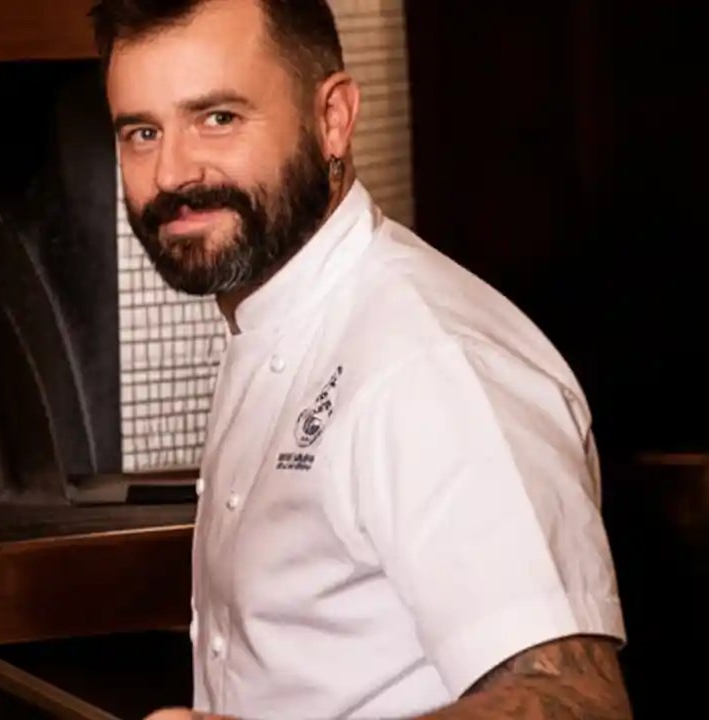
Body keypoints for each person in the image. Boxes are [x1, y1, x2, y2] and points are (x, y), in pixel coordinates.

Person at [88, 0, 632, 718]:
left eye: (218, 118)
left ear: (334, 118)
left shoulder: (429, 364)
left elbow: (577, 704)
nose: (172, 173)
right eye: (143, 132)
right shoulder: (277, 311)